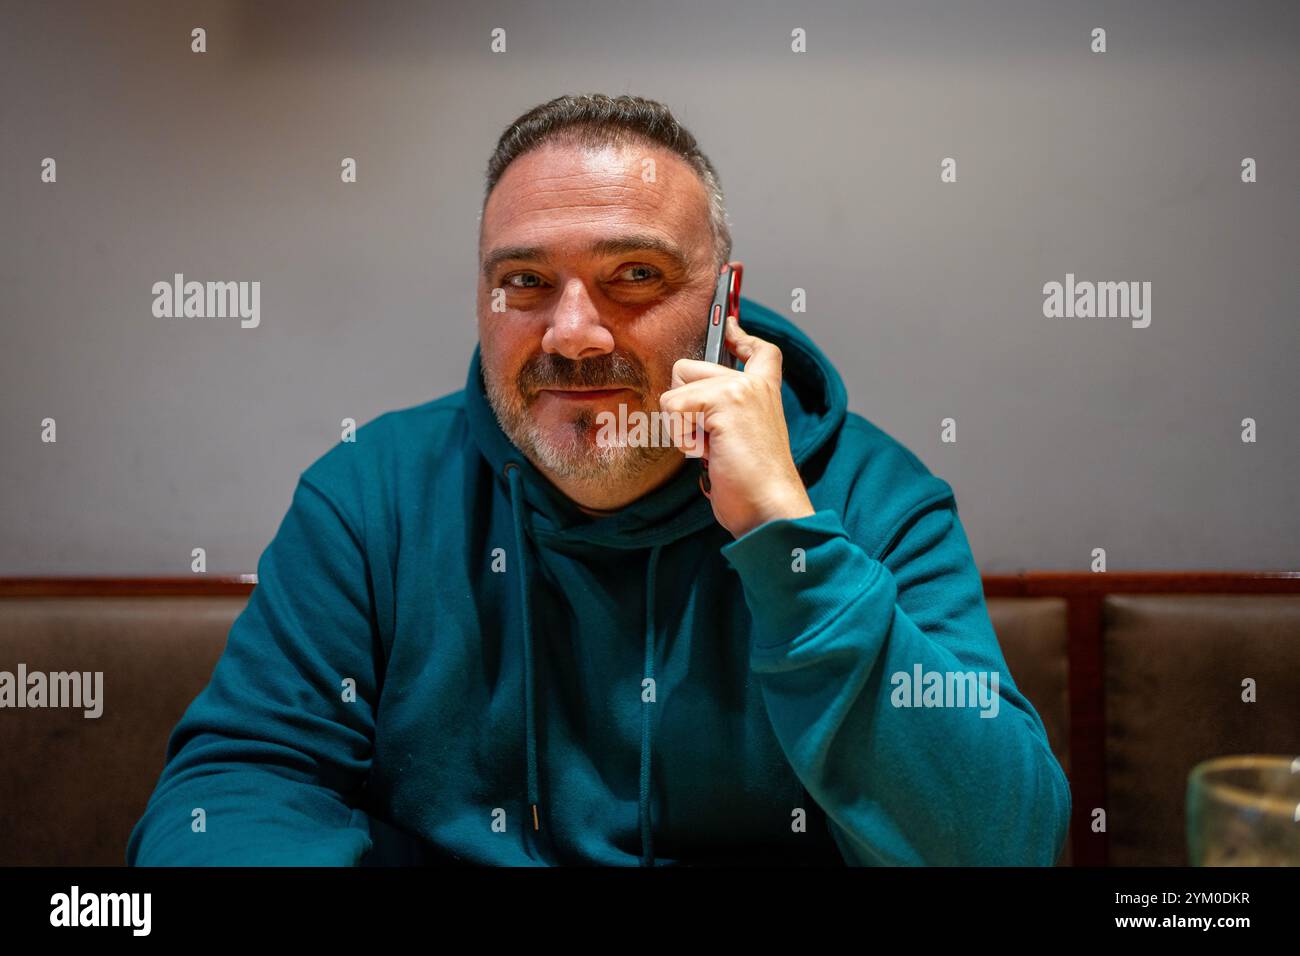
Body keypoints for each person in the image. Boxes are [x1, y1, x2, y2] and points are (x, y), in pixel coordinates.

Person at [127, 93, 1071, 866]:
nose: (572, 332)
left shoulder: (873, 501)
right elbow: (237, 791)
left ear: (722, 309)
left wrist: (786, 540)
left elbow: (1001, 849)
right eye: (527, 283)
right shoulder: (368, 501)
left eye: (633, 274)